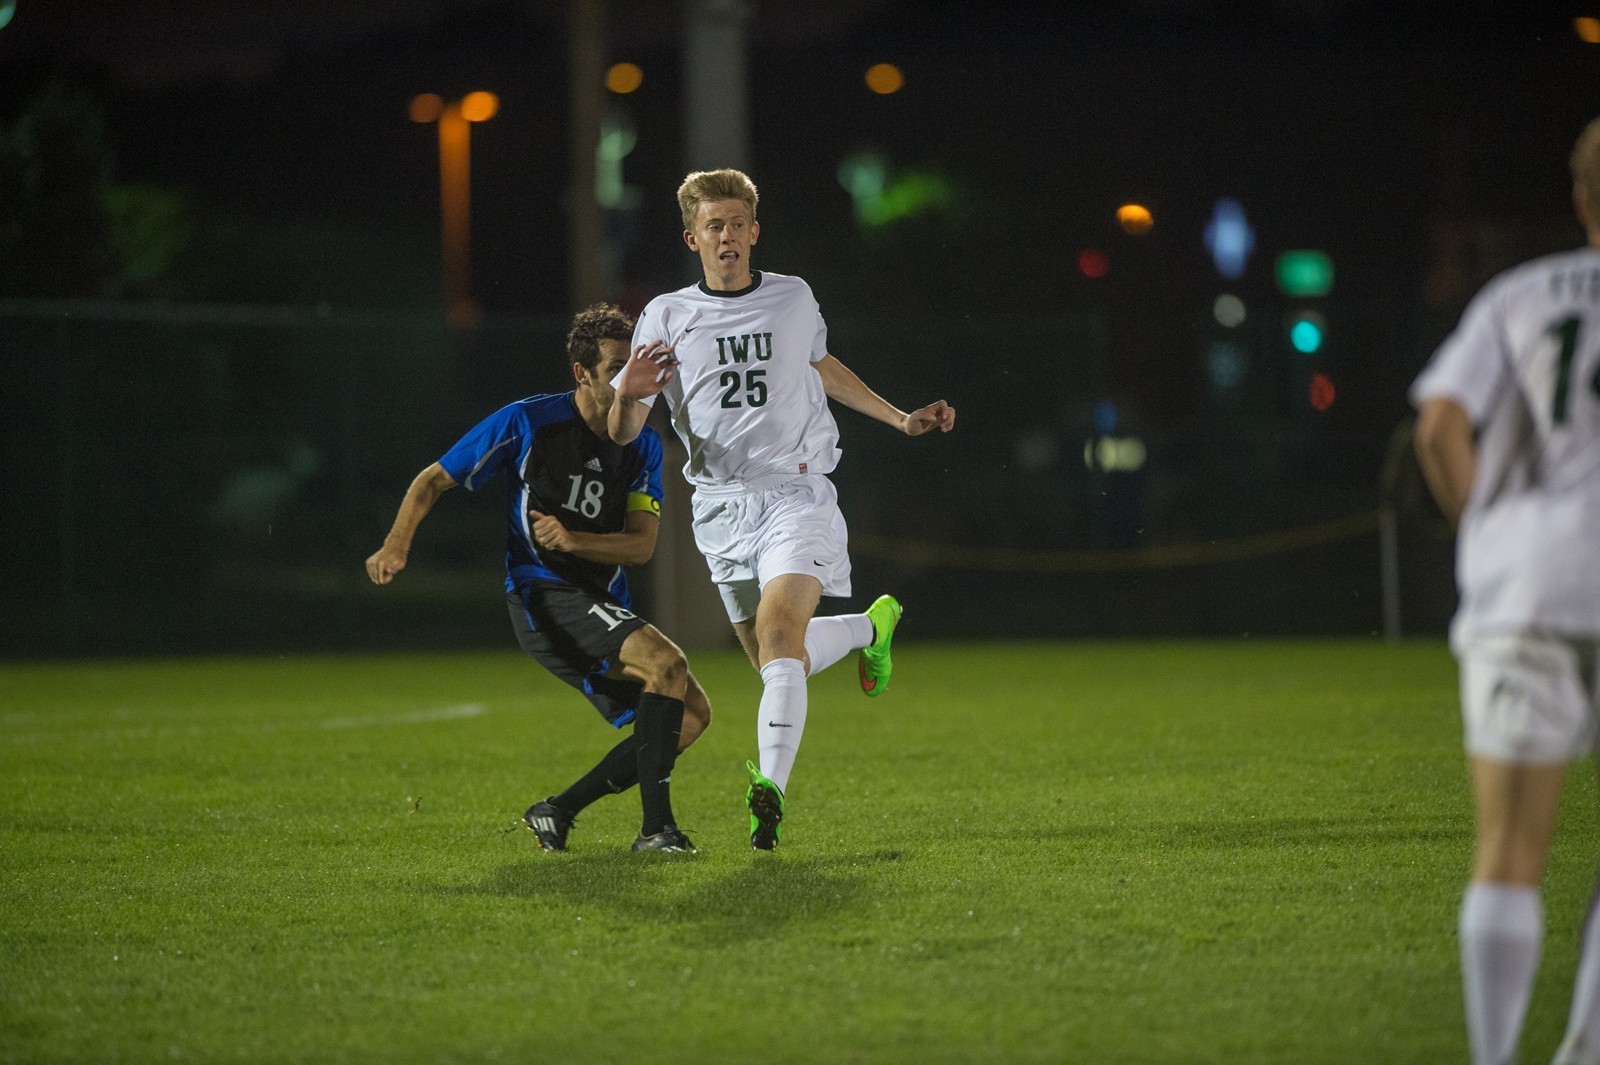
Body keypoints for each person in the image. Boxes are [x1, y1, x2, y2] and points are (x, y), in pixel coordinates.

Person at [608, 168, 956, 850]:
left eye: (739, 223)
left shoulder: (793, 297)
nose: (729, 236)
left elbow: (822, 365)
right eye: (715, 226)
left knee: (777, 637)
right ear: (692, 237)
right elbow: (624, 431)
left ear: (755, 231)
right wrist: (627, 399)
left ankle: (769, 791)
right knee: (776, 659)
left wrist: (898, 418)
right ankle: (868, 627)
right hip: (718, 507)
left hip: (796, 491)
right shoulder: (666, 316)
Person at [366, 303, 710, 854]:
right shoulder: (528, 422)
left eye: (638, 367)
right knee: (667, 664)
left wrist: (575, 540)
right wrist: (396, 544)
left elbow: (641, 546)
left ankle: (558, 809)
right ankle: (656, 831)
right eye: (618, 368)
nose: (634, 381)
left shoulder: (642, 442)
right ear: (582, 374)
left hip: (599, 597)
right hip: (543, 593)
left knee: (692, 717)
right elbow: (433, 480)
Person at [1412, 115, 1600, 1065]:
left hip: (1531, 587)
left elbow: (1441, 423)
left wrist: (1484, 528)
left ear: (1580, 201)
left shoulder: (1521, 294)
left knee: (1510, 853)